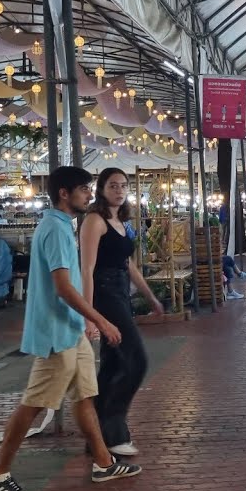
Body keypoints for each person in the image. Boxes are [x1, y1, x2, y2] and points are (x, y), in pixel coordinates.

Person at [0, 166, 140, 491]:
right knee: (33, 404)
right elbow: (64, 288)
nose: (88, 194)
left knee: (84, 396)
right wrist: (101, 319)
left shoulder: (63, 227)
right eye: (83, 189)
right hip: (55, 332)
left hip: (71, 329)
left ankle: (103, 462)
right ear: (64, 193)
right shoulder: (54, 229)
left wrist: (85, 322)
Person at [80, 168, 164, 457]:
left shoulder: (120, 221)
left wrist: (150, 296)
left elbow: (127, 264)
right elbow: (87, 270)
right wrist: (89, 315)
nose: (119, 190)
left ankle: (97, 435)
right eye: (113, 186)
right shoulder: (94, 220)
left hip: (120, 293)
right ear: (101, 189)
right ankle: (114, 430)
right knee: (136, 360)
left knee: (114, 365)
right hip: (104, 295)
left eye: (123, 186)